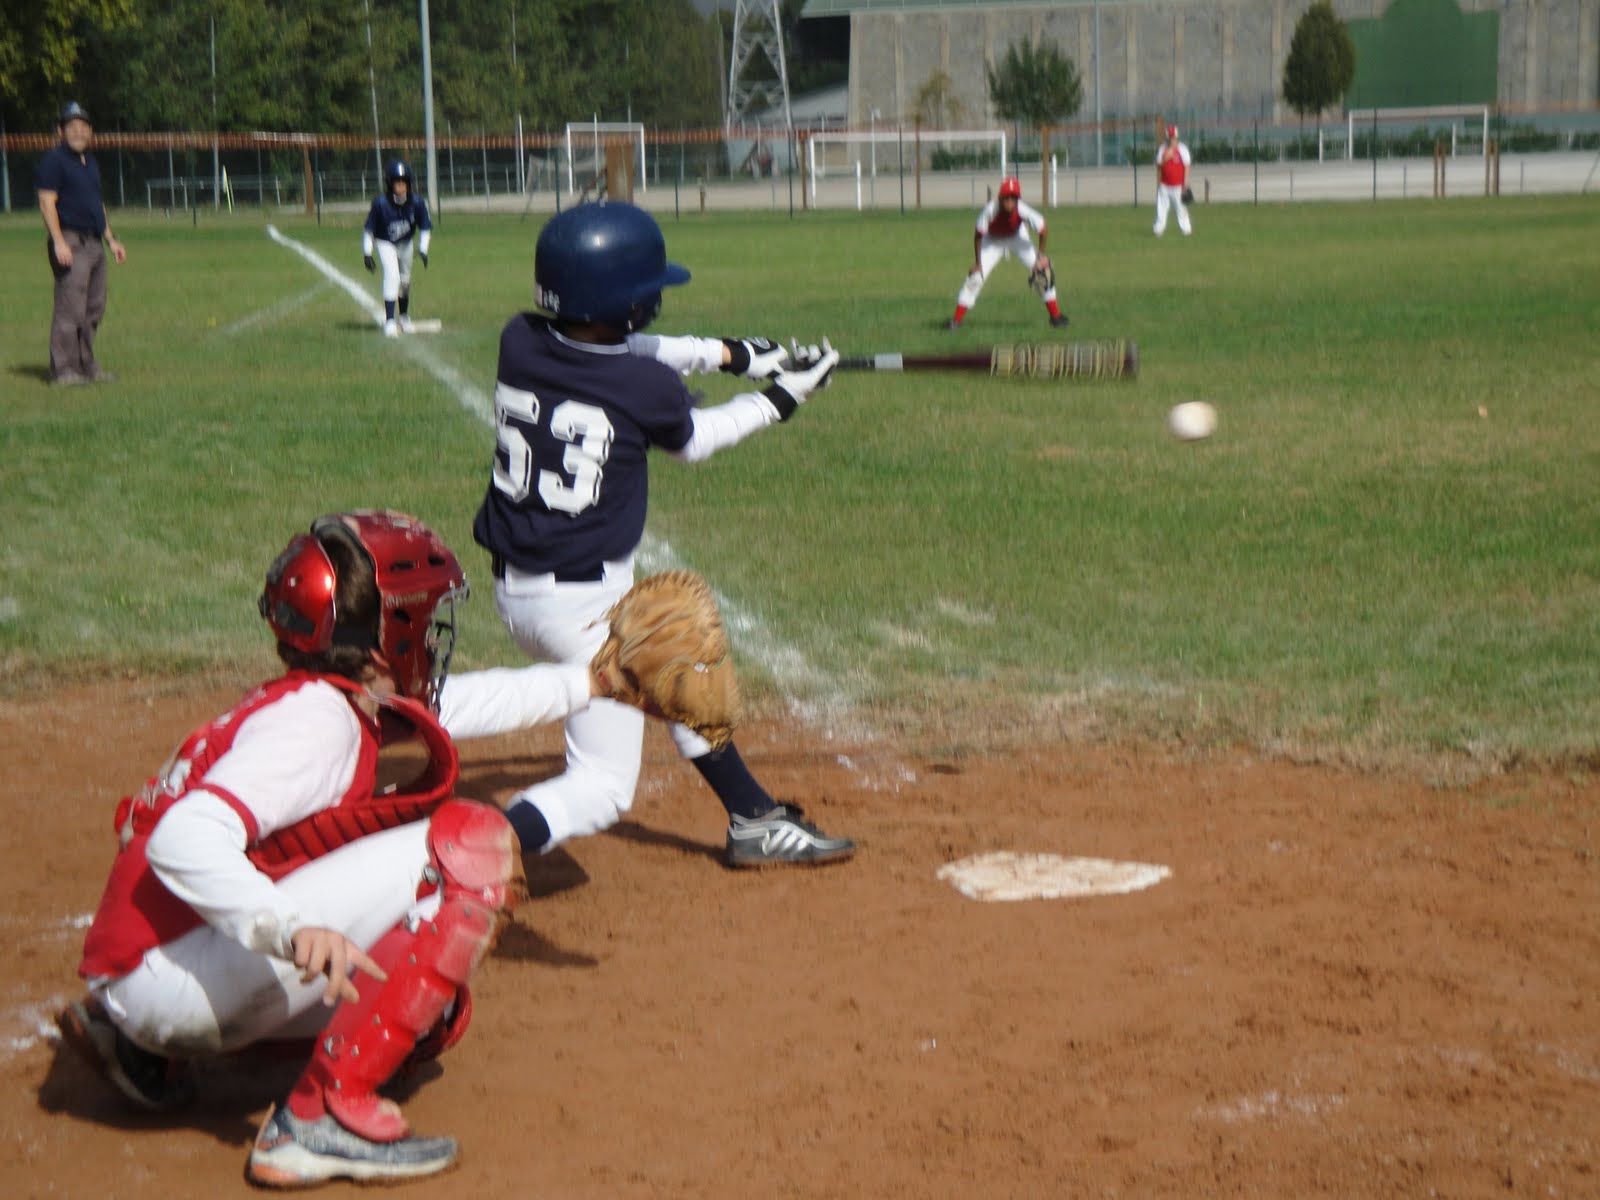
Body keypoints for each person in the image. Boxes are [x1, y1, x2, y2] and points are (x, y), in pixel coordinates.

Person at [57, 509, 628, 1188]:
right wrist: (292, 932)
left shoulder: (318, 700)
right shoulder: (317, 728)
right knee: (471, 846)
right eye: (428, 617)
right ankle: (318, 1118)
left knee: (431, 1014)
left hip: (149, 967)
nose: (437, 634)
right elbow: (184, 838)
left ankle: (136, 1047)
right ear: (392, 637)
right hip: (167, 983)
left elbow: (459, 707)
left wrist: (590, 682)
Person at [473, 200, 857, 870]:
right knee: (602, 786)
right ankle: (474, 852)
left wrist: (733, 355)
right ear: (622, 303)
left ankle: (752, 817)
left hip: (517, 592)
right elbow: (694, 439)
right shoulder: (642, 385)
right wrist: (783, 397)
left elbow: (626, 351)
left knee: (672, 664)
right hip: (583, 609)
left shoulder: (520, 339)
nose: (652, 304)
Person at [35, 100, 126, 386]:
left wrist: (111, 239)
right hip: (71, 240)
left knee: (93, 308)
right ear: (61, 131)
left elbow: (96, 204)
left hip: (94, 242)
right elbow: (46, 201)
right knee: (70, 308)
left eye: (82, 126)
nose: (77, 131)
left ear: (90, 131)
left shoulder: (90, 162)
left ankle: (86, 364)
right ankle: (63, 370)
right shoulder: (54, 160)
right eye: (71, 126)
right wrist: (59, 242)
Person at [944, 175, 1066, 331]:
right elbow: (978, 235)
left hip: (1017, 236)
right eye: (1006, 197)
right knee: (975, 278)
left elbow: (1043, 229)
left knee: (1043, 272)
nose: (1009, 201)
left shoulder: (1022, 209)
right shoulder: (990, 210)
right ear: (1000, 198)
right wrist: (978, 263)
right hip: (992, 240)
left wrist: (1040, 257)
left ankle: (1055, 317)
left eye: (1013, 197)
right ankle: (956, 321)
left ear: (1017, 199)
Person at [362, 160, 433, 337]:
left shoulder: (417, 202)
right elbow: (369, 229)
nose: (400, 186)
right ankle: (389, 321)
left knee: (405, 280)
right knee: (392, 276)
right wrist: (367, 253)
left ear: (409, 184)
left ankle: (403, 316)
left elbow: (425, 227)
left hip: (406, 243)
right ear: (390, 184)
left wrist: (423, 249)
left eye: (403, 182)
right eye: (397, 182)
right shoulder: (380, 204)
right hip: (385, 242)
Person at [1153, 125, 1193, 237]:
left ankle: (1186, 230)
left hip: (1178, 186)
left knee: (1181, 208)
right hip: (1165, 185)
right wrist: (1165, 159)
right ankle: (1158, 229)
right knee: (1161, 208)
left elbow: (1187, 166)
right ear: (1167, 138)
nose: (1173, 140)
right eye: (1171, 138)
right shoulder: (1162, 149)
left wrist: (1185, 183)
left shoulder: (1182, 149)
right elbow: (1158, 166)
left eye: (1174, 138)